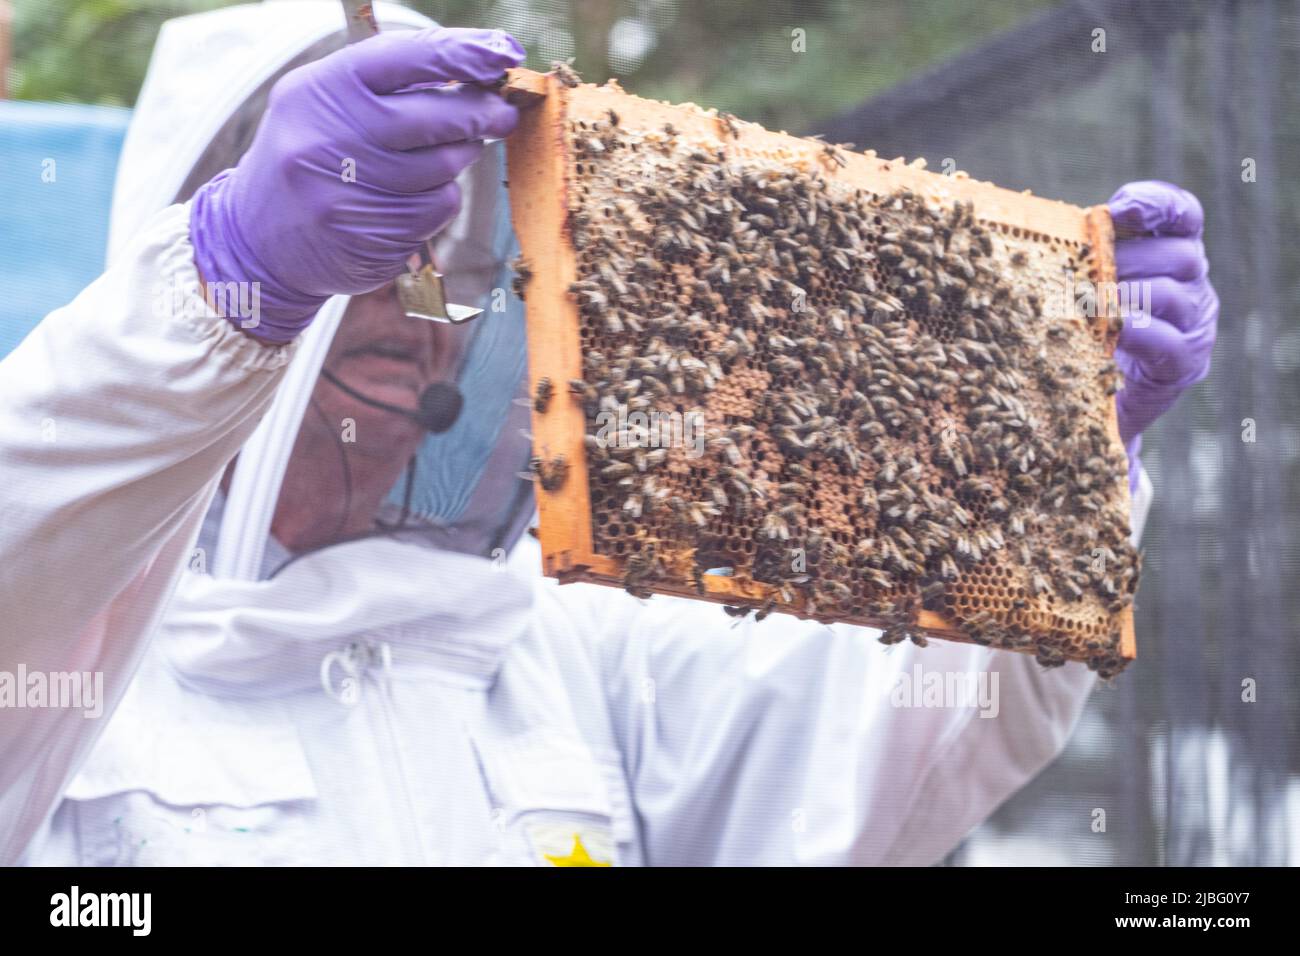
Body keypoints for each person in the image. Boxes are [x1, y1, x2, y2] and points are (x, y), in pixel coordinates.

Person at [0, 2, 1215, 866]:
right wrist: (220, 287)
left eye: (444, 264)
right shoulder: (79, 675)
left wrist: (1057, 475)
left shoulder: (552, 645)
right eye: (358, 247)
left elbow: (874, 753)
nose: (420, 315)